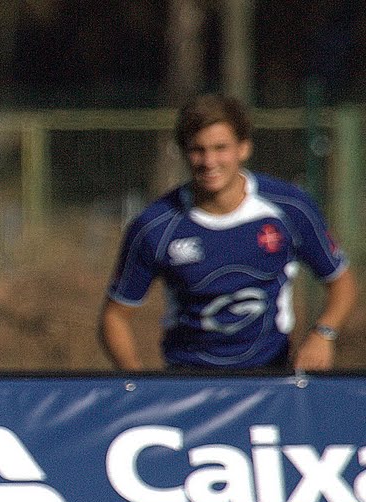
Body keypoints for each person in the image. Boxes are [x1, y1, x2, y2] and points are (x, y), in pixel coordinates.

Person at [100, 94, 356, 371]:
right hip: (188, 382)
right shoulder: (155, 226)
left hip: (271, 377)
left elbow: (342, 283)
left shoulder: (290, 208)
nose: (209, 161)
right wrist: (136, 383)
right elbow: (115, 317)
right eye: (198, 150)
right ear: (183, 152)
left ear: (243, 148)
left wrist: (323, 334)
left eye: (220, 148)